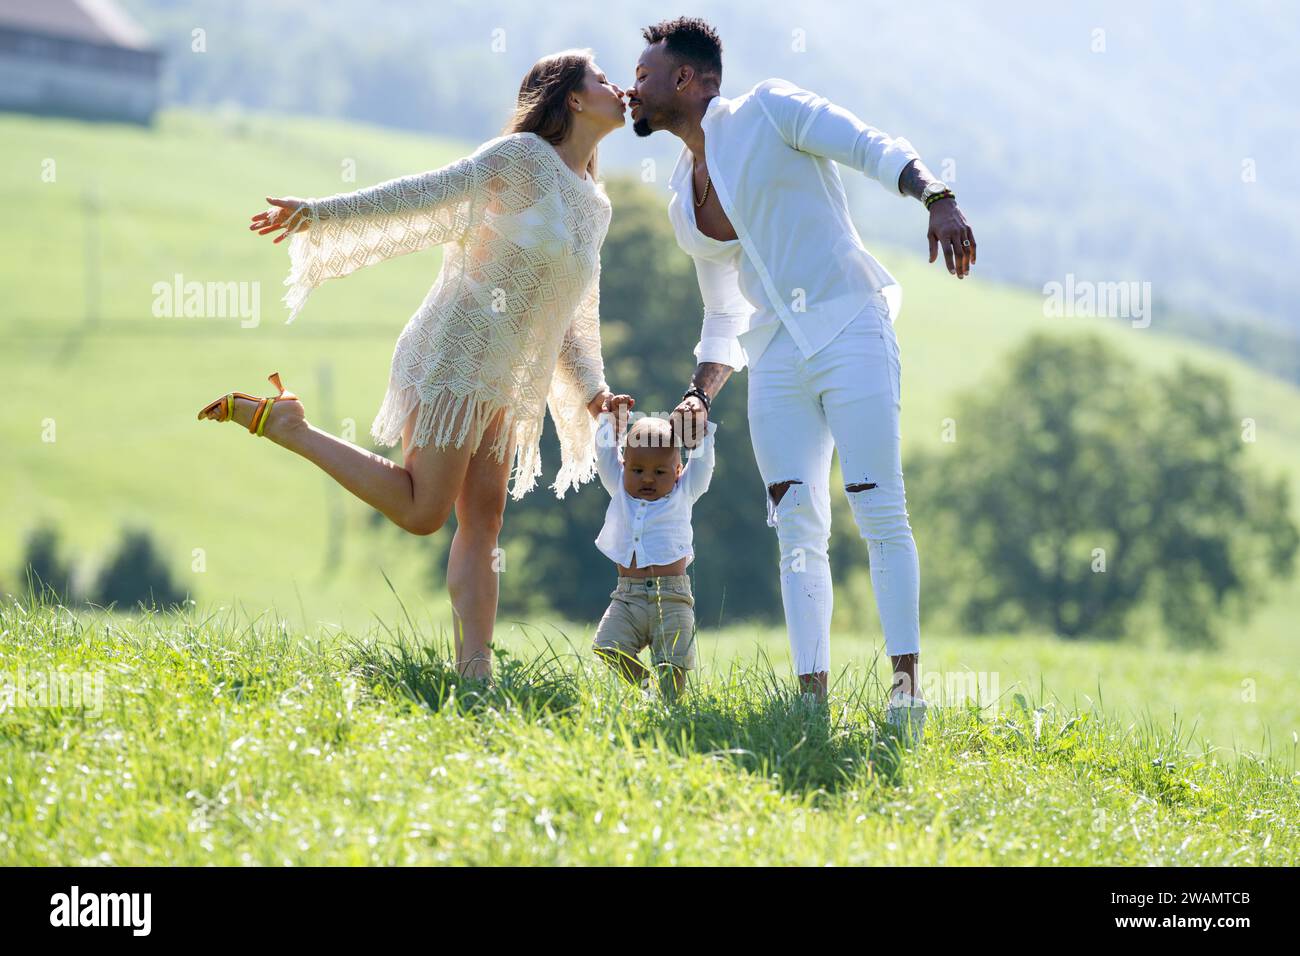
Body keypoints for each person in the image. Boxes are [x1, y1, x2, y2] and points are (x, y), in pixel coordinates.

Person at [197, 50, 632, 679]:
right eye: (602, 79)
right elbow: (426, 194)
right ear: (572, 97)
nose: (617, 88)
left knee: (484, 521)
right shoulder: (520, 160)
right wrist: (320, 214)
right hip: (457, 350)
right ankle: (291, 426)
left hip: (509, 379)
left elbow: (568, 312)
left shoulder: (595, 204)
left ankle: (474, 674)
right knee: (424, 511)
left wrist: (593, 391)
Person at [627, 17, 977, 741]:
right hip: (776, 356)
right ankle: (810, 704)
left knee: (880, 512)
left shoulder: (769, 110)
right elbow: (722, 307)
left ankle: (906, 699)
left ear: (687, 80)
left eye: (644, 75)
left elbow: (865, 143)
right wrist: (701, 390)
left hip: (851, 323)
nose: (633, 88)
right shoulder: (680, 200)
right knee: (796, 526)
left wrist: (936, 195)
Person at [591, 404, 718, 701]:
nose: (647, 479)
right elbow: (603, 455)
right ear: (624, 466)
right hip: (628, 597)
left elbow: (703, 466)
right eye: (638, 470)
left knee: (674, 664)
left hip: (671, 596)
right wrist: (610, 420)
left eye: (659, 472)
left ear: (677, 471)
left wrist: (698, 434)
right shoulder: (620, 490)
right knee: (608, 646)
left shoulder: (684, 492)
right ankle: (646, 688)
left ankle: (672, 708)